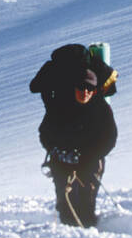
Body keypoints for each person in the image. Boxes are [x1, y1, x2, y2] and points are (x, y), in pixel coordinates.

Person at [37, 67, 117, 228]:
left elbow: (109, 138)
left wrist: (88, 156)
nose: (85, 92)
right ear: (74, 88)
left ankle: (86, 231)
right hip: (62, 163)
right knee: (65, 203)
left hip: (90, 164)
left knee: (86, 201)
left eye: (90, 89)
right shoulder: (59, 107)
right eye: (81, 88)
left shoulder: (101, 109)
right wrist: (56, 150)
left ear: (94, 91)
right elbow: (45, 132)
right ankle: (70, 235)